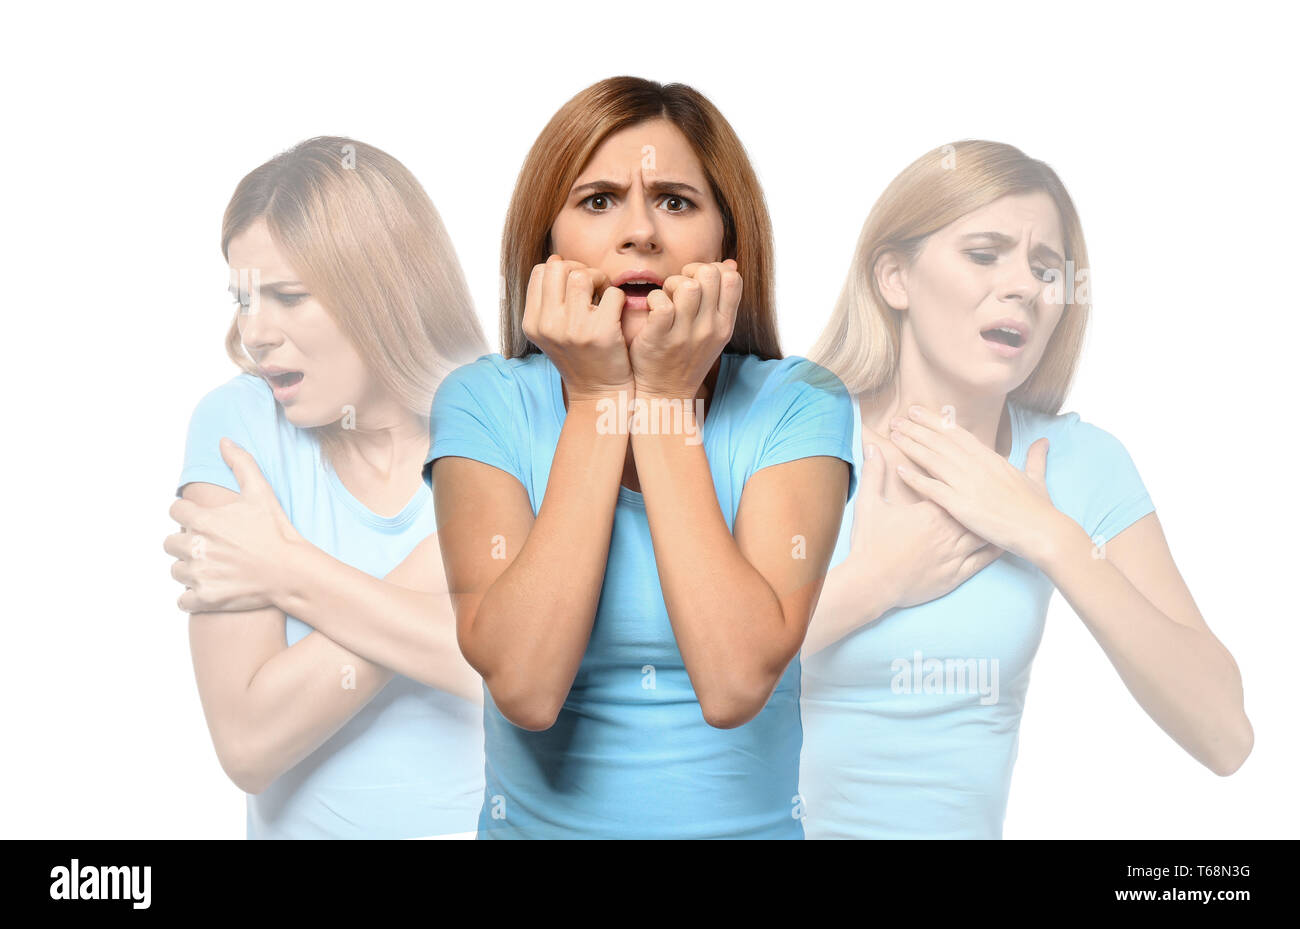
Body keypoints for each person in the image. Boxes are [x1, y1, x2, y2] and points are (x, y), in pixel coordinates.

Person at [428, 77, 858, 838]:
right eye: (597, 201)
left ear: (730, 245)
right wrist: (598, 402)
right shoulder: (481, 401)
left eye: (676, 201)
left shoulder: (802, 401)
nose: (640, 234)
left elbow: (733, 683)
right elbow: (525, 687)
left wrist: (660, 395)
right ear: (546, 246)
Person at [799, 139, 1253, 839]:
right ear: (894, 277)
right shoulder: (791, 434)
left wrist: (1050, 537)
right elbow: (684, 679)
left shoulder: (1077, 462)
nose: (1025, 287)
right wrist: (880, 579)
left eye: (1046, 269)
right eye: (985, 254)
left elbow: (1225, 736)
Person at [166, 136, 488, 838]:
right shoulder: (237, 429)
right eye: (245, 299)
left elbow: (527, 682)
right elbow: (248, 742)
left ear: (383, 292)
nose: (254, 332)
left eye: (287, 297)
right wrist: (444, 570)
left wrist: (288, 569)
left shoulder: (504, 420)